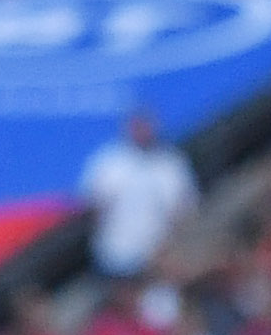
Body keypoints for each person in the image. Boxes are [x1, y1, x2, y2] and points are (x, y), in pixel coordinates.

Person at [79, 107, 197, 278]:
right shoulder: (109, 161)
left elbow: (185, 208)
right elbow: (92, 204)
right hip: (115, 255)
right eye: (137, 126)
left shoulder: (170, 163)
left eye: (146, 126)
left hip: (157, 256)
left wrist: (168, 247)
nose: (142, 131)